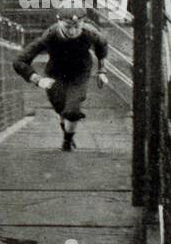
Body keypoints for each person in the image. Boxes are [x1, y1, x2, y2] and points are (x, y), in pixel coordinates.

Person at [12, 8, 109, 151]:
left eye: (77, 26)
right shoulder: (50, 36)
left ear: (83, 23)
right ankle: (67, 133)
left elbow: (102, 47)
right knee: (60, 107)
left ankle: (67, 142)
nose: (72, 31)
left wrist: (102, 70)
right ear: (59, 23)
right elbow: (19, 61)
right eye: (67, 27)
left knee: (72, 110)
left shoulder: (91, 33)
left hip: (80, 72)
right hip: (56, 73)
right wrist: (38, 79)